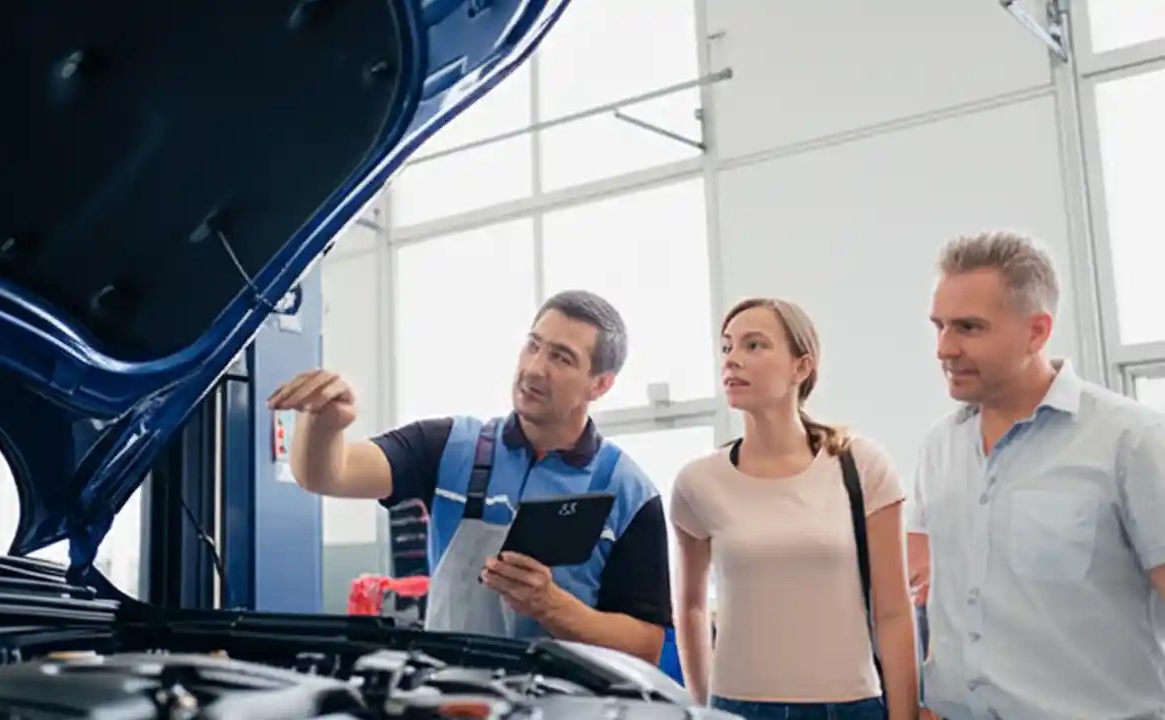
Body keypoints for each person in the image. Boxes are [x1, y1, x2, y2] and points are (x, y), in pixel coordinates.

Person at [267, 290, 671, 664]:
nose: (534, 368)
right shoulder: (449, 446)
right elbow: (328, 475)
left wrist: (551, 606)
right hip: (449, 696)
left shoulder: (629, 493)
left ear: (600, 385)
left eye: (561, 358)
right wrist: (324, 425)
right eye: (533, 345)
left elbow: (645, 647)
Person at [910, 231, 1165, 719]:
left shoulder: (1131, 441)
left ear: (1037, 332)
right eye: (939, 326)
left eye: (968, 327)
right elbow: (934, 604)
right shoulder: (939, 448)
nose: (945, 348)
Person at [670, 297, 920, 720]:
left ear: (801, 367)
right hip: (738, 707)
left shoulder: (861, 465)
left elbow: (894, 611)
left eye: (754, 346)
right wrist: (703, 706)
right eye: (727, 347)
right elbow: (691, 606)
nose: (733, 360)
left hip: (849, 707)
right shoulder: (698, 482)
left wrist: (905, 716)